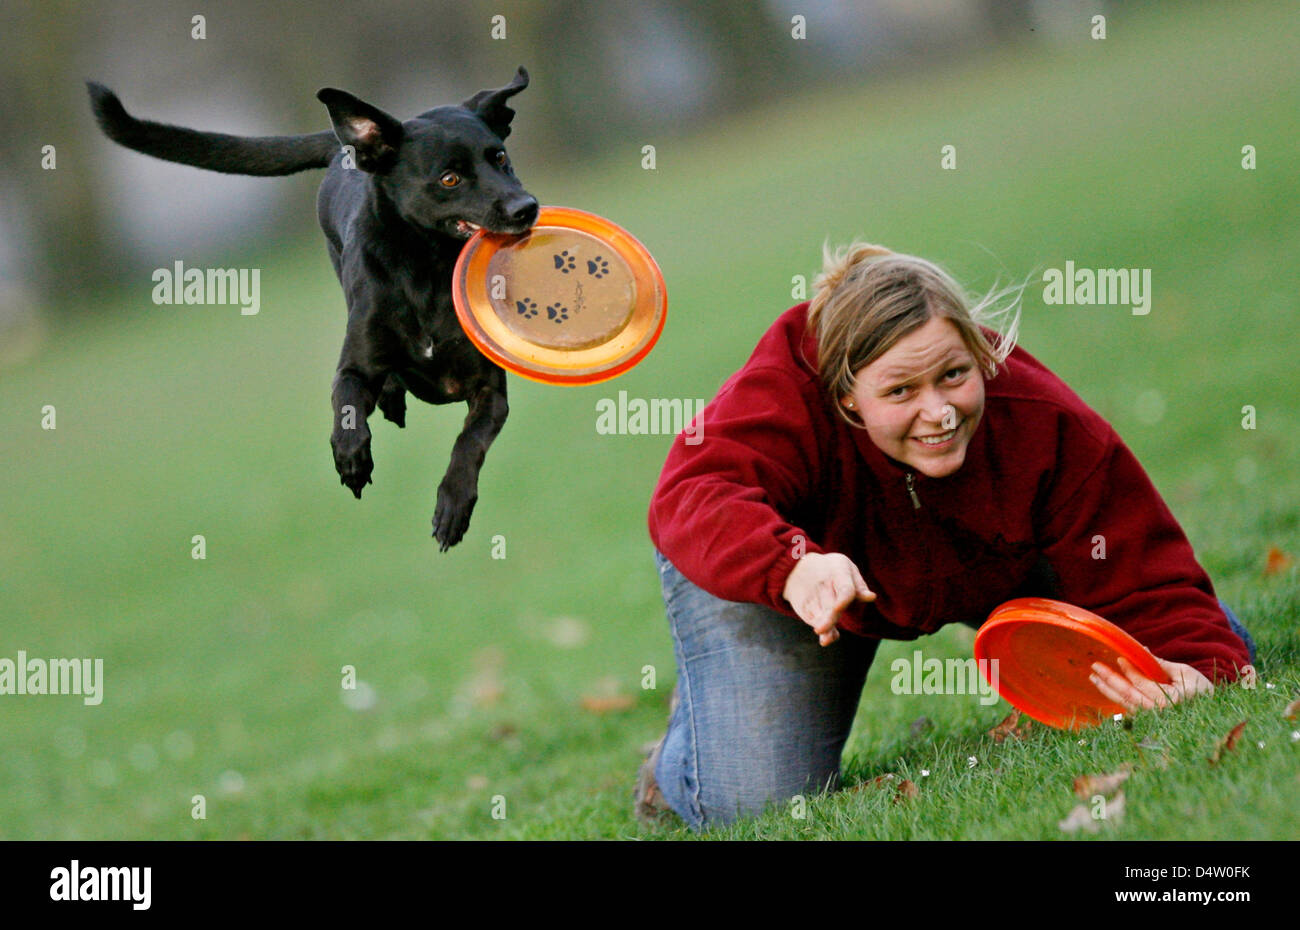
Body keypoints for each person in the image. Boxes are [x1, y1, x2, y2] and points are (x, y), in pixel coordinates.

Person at [637, 242, 1255, 831]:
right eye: (901, 390)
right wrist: (794, 566)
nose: (939, 413)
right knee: (754, 802)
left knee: (1211, 645)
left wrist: (1201, 665)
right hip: (787, 572)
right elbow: (692, 493)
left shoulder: (1043, 423)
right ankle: (684, 748)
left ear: (981, 356)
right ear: (847, 396)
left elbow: (1142, 567)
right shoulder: (786, 394)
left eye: (955, 375)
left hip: (982, 560)